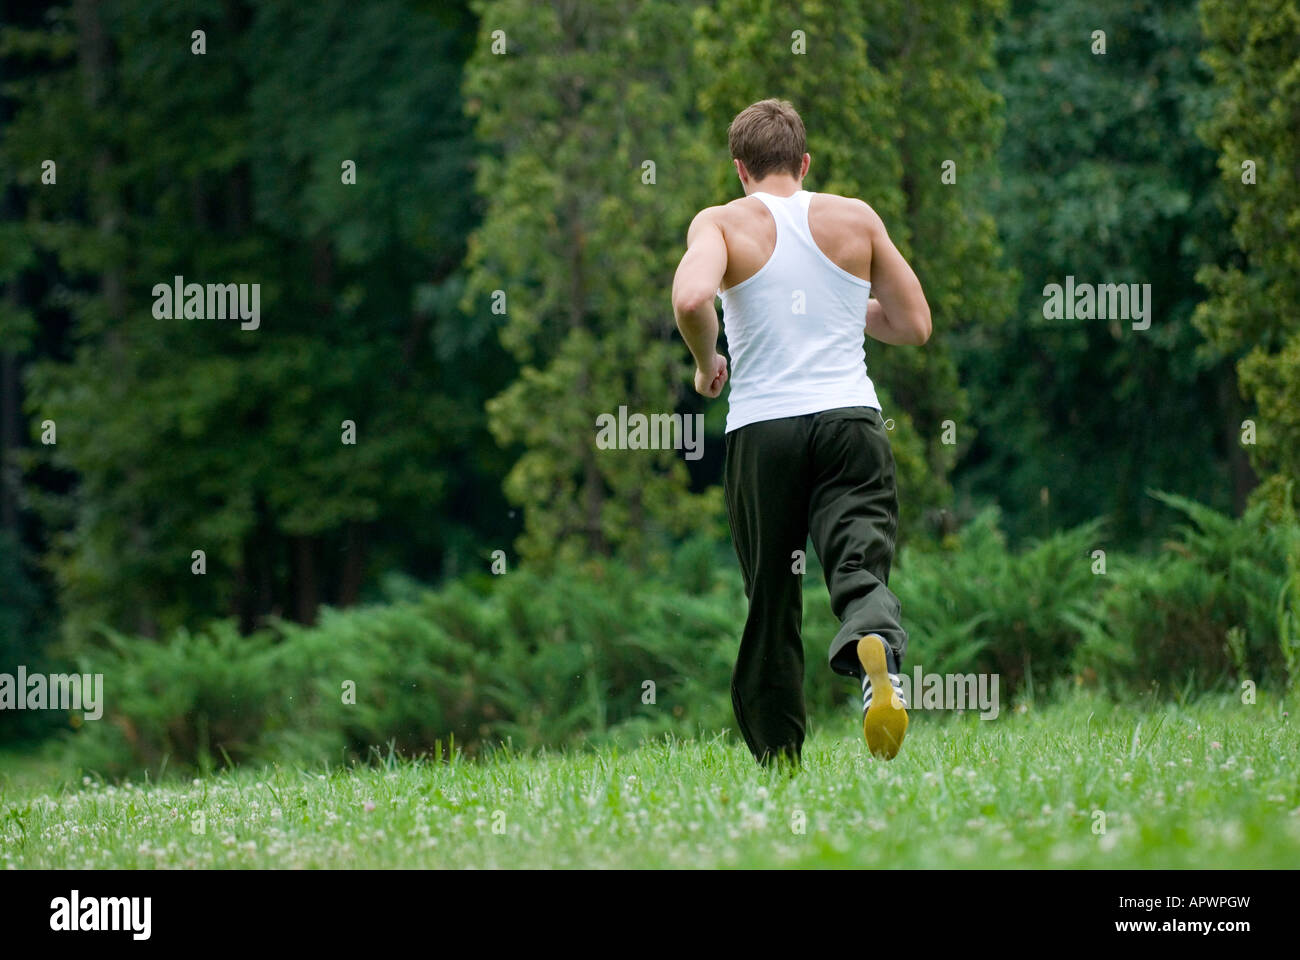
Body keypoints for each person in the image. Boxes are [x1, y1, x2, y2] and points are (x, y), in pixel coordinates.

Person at [670, 98, 932, 765]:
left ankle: (781, 756)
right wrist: (841, 308)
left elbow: (692, 298)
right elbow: (913, 324)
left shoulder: (723, 222)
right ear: (804, 161)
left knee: (772, 597)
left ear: (740, 168)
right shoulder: (854, 217)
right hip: (850, 422)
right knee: (857, 557)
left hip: (766, 432)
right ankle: (875, 645)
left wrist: (707, 365)